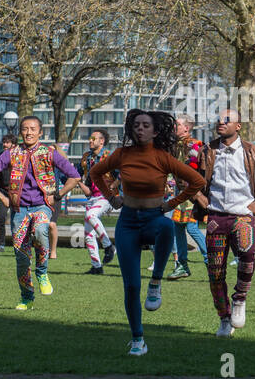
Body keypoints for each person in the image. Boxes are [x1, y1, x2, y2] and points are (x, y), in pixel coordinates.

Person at [88, 110, 206, 355]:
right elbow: (95, 173)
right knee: (130, 286)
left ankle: (155, 281)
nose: (140, 129)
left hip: (154, 218)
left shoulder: (163, 157)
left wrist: (171, 204)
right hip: (128, 222)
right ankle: (138, 339)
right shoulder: (122, 154)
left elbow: (197, 181)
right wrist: (111, 197)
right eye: (136, 125)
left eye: (145, 125)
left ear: (155, 131)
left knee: (166, 226)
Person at [190, 108, 255, 336]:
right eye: (218, 120)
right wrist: (201, 198)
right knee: (214, 272)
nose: (220, 123)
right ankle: (224, 318)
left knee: (247, 260)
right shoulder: (206, 151)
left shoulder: (254, 152)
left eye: (226, 120)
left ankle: (240, 299)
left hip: (243, 217)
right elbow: (186, 177)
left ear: (238, 126)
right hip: (215, 218)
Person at [0, 116, 79, 306]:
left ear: (40, 132)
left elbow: (74, 176)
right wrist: (2, 198)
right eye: (25, 129)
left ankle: (42, 272)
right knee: (22, 258)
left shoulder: (49, 153)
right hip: (20, 210)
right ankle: (27, 297)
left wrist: (58, 195)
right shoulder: (11, 153)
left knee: (42, 230)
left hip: (42, 205)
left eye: (33, 129)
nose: (29, 132)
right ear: (20, 132)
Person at [167, 114, 208, 279]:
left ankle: (211, 261)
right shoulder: (174, 145)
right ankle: (182, 266)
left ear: (187, 128)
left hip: (192, 194)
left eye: (177, 125)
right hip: (180, 193)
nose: (174, 128)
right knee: (178, 227)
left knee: (191, 228)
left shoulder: (195, 145)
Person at [78, 129, 117, 274]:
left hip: (106, 196)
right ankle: (97, 267)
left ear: (102, 141)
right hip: (92, 197)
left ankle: (108, 246)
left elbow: (122, 174)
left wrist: (113, 187)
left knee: (91, 216)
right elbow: (76, 174)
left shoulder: (110, 156)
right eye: (90, 138)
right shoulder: (86, 157)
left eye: (93, 138)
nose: (90, 141)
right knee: (88, 234)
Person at [0, 134, 15, 252]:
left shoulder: (19, 157)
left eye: (8, 142)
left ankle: (19, 244)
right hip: (3, 192)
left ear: (13, 145)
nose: (5, 145)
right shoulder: (0, 157)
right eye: (4, 142)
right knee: (0, 218)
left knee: (18, 220)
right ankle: (1, 244)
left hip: (17, 193)